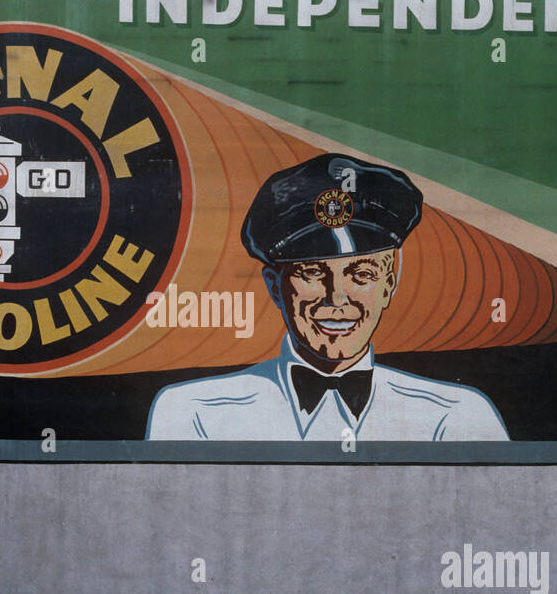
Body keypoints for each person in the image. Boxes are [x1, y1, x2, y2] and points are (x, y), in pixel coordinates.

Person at [145, 153, 509, 441]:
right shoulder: (193, 414)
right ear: (274, 285)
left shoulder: (456, 417)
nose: (337, 298)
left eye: (362, 274)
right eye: (312, 273)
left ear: (389, 284)